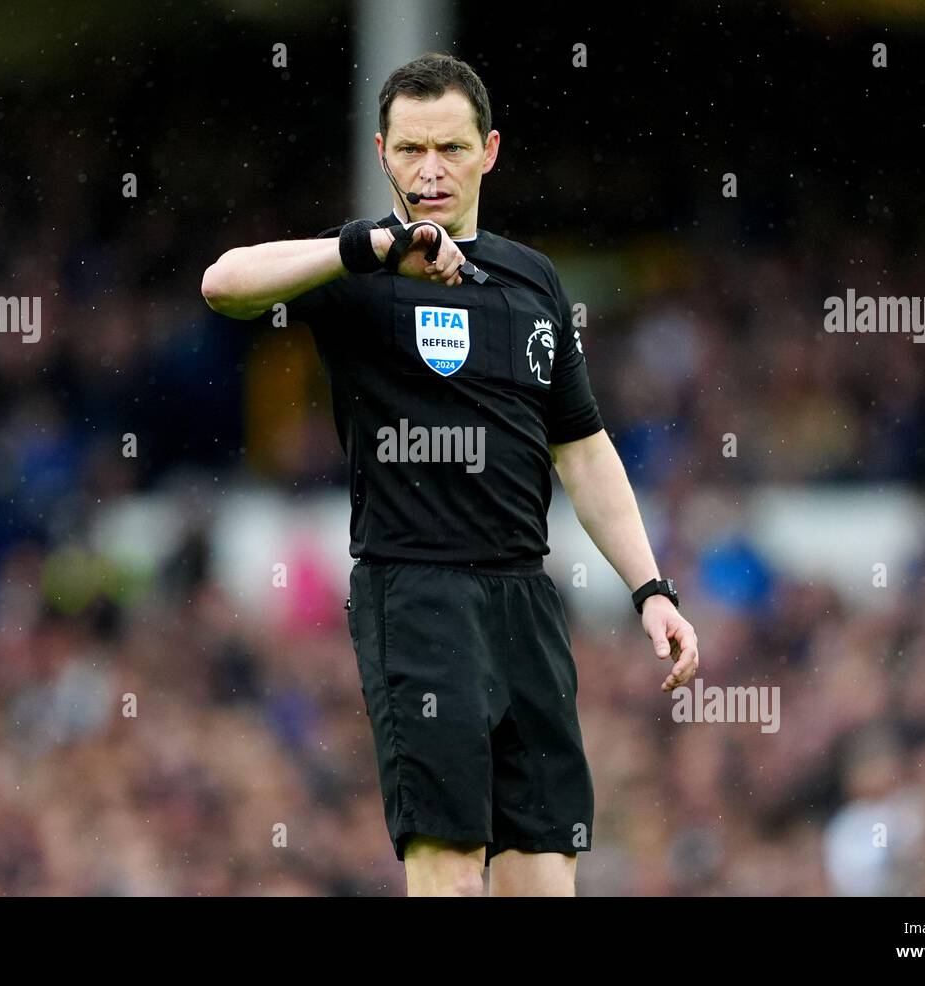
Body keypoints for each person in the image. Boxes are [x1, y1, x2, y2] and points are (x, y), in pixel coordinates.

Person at [202, 52, 699, 896]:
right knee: (450, 865)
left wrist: (651, 589)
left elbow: (581, 448)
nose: (430, 170)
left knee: (546, 870)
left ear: (490, 150)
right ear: (382, 153)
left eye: (451, 149)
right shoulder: (354, 269)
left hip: (525, 598)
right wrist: (365, 248)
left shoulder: (532, 280)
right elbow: (225, 284)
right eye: (410, 151)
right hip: (418, 592)